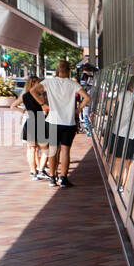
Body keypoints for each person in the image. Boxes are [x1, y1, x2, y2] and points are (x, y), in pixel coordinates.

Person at [42, 60, 89, 188]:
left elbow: (33, 91)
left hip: (52, 120)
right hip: (68, 122)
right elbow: (86, 97)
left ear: (57, 69)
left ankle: (52, 177)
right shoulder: (73, 84)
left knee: (52, 150)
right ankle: (63, 178)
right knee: (65, 150)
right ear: (68, 70)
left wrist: (43, 104)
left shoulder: (49, 82)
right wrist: (78, 109)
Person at [18, 74, 51, 180]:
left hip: (30, 122)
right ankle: (41, 169)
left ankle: (33, 171)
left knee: (31, 149)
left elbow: (14, 105)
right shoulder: (40, 96)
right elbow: (45, 109)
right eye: (38, 83)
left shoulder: (25, 96)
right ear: (33, 83)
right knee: (46, 148)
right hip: (40, 121)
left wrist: (24, 112)